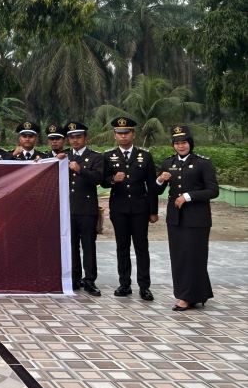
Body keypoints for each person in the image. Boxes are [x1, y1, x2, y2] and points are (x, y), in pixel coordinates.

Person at [156, 125, 219, 312]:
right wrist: (160, 179)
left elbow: (213, 190)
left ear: (190, 143)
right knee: (179, 257)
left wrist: (188, 196)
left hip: (197, 219)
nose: (180, 146)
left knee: (195, 256)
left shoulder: (202, 163)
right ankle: (194, 294)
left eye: (184, 142)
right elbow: (156, 190)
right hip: (175, 219)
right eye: (177, 143)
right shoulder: (168, 163)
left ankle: (186, 297)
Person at [102, 116, 158, 301]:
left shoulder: (145, 156)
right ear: (115, 135)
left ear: (133, 134)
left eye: (126, 133)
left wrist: (153, 211)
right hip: (119, 209)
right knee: (122, 247)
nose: (123, 136)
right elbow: (102, 181)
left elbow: (151, 186)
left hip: (140, 209)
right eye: (119, 133)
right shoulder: (108, 156)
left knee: (142, 247)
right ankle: (124, 284)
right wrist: (111, 180)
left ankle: (144, 287)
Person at [65, 120, 104, 296]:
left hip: (87, 208)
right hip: (68, 208)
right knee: (71, 245)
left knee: (88, 245)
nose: (75, 140)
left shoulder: (95, 157)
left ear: (85, 138)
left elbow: (98, 178)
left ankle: (90, 280)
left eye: (78, 137)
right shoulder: (63, 156)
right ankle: (74, 278)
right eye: (71, 137)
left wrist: (80, 169)